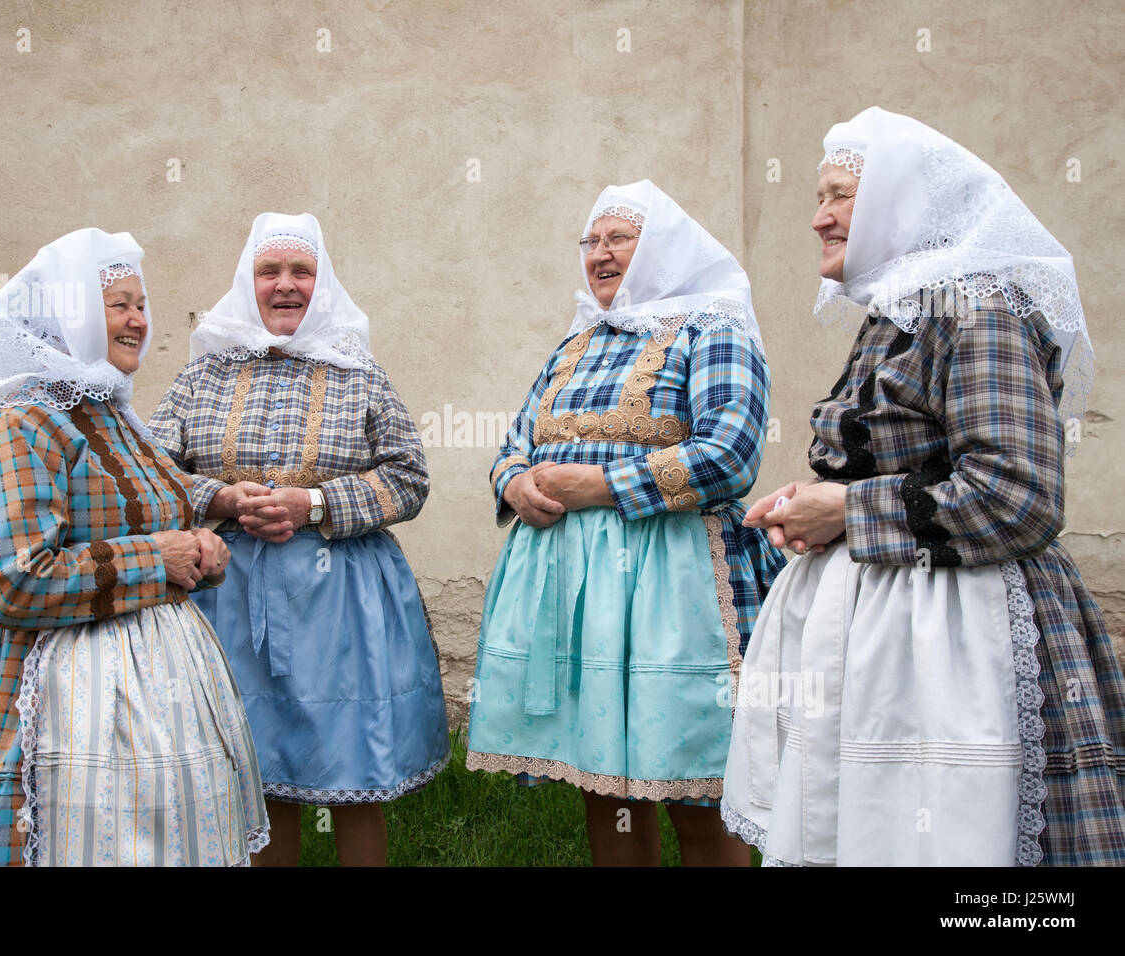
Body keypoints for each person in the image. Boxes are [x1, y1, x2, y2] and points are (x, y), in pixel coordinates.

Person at [723, 106, 1125, 866]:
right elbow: (901, 459)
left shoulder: (976, 308)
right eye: (820, 197)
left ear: (901, 203)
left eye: (840, 194)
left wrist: (845, 509)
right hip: (892, 629)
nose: (819, 218)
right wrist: (816, 503)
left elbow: (1019, 495)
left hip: (959, 634)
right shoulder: (908, 307)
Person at [0, 228, 268, 866]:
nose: (139, 320)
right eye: (119, 305)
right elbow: (14, 579)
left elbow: (141, 501)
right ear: (72, 313)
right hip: (47, 685)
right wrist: (161, 559)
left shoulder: (108, 415)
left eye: (142, 304)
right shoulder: (18, 425)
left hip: (149, 692)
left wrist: (209, 522)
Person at [466, 180, 786, 866]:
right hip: (575, 591)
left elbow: (730, 455)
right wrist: (516, 483)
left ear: (662, 248)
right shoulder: (576, 343)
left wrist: (603, 485)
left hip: (677, 583)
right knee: (605, 788)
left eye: (620, 239)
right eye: (593, 241)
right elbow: (513, 446)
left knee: (694, 782)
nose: (602, 254)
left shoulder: (713, 327)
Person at [149, 212, 449, 867]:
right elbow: (149, 471)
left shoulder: (358, 373)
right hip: (230, 596)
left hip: (342, 602)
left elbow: (409, 477)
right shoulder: (204, 375)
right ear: (248, 280)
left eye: (301, 271)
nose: (286, 286)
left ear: (322, 281)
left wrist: (313, 502)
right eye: (270, 271)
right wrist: (221, 499)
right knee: (255, 771)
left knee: (352, 778)